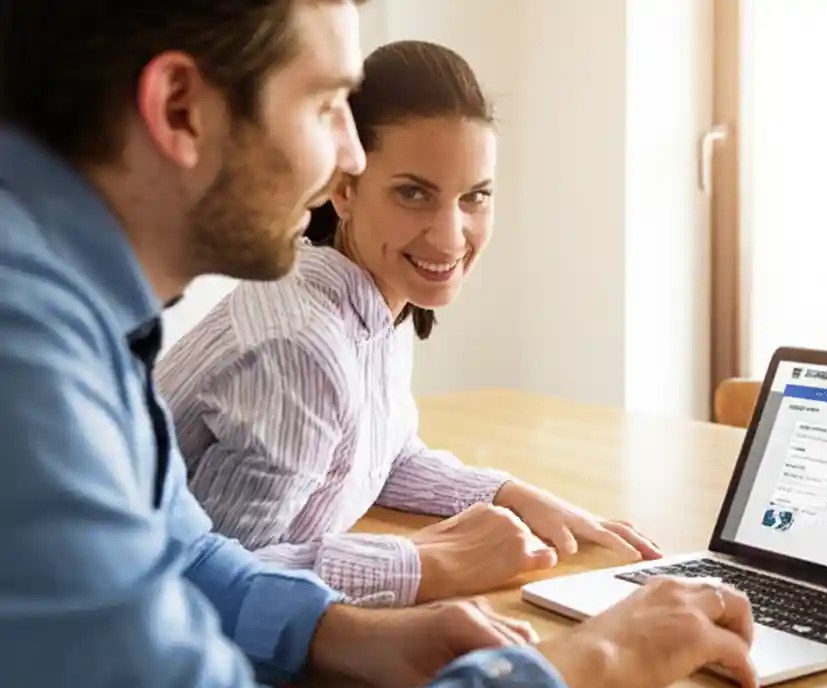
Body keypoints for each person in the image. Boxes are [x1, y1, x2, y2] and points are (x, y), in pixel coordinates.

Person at [0, 1, 757, 688]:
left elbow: (187, 551)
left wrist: (339, 636)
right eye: (327, 104)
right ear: (178, 109)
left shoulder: (80, 314)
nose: (351, 157)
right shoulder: (28, 366)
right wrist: (588, 668)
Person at [155, 40, 659, 608]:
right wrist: (424, 563)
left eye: (475, 197)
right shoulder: (302, 348)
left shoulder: (372, 303)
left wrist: (512, 495)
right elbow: (217, 582)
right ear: (344, 190)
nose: (450, 237)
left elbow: (378, 457)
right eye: (413, 193)